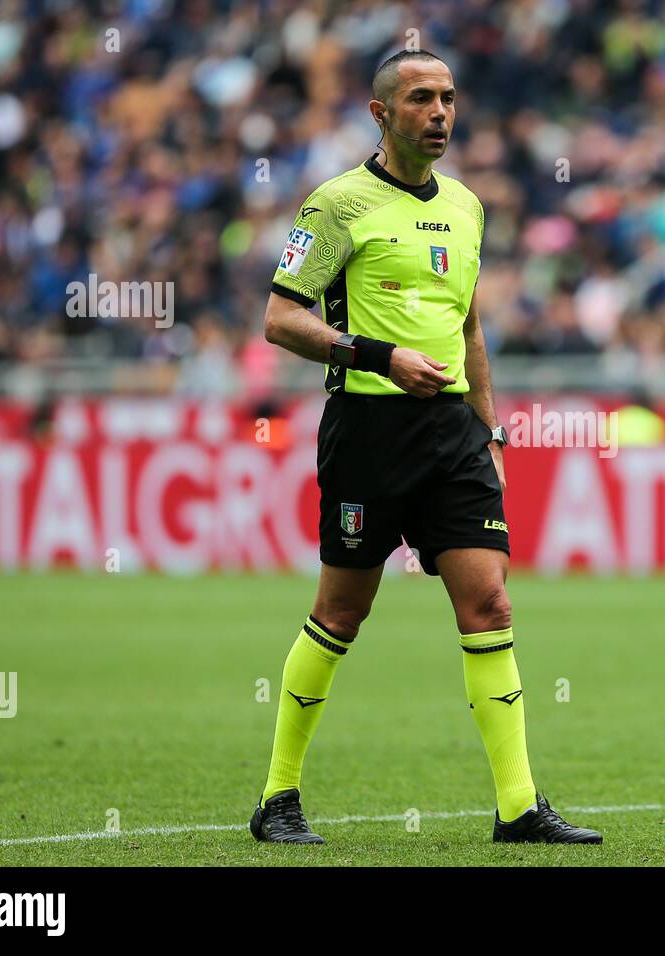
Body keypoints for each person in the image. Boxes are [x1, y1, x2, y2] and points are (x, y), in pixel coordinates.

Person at [250, 49, 601, 846]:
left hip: (452, 436)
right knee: (342, 611)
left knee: (490, 603)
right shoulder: (335, 205)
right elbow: (280, 318)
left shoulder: (470, 208)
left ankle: (518, 806)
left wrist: (492, 427)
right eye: (420, 99)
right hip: (368, 431)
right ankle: (278, 798)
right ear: (381, 113)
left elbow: (469, 327)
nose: (439, 112)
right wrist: (377, 355)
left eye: (447, 97)